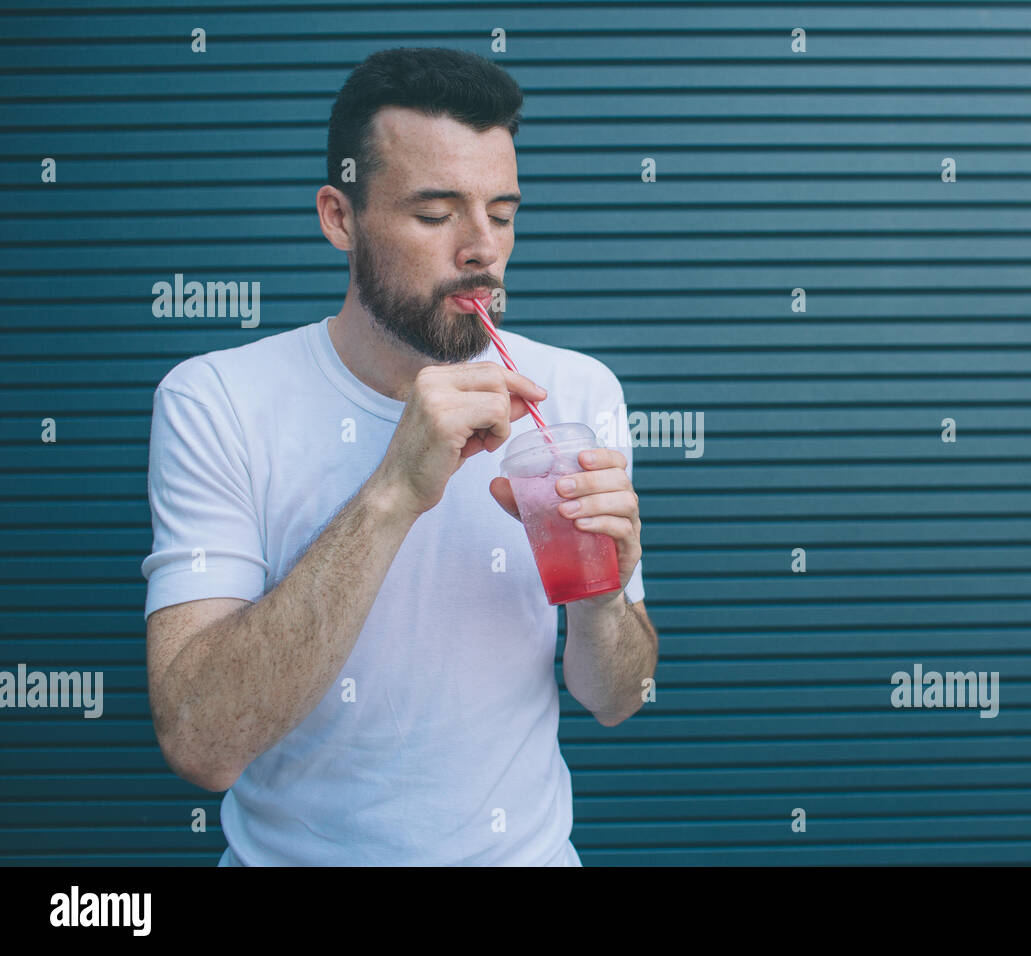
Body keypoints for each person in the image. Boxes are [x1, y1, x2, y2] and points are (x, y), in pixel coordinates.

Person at [140, 47, 658, 866]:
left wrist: (602, 598)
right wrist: (391, 492)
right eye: (434, 214)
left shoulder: (575, 392)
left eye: (503, 211)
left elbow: (618, 698)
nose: (483, 251)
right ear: (339, 217)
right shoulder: (216, 402)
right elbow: (202, 744)